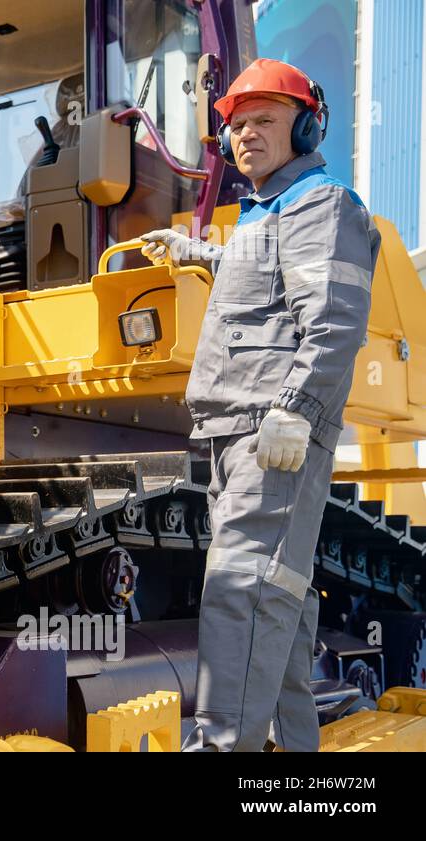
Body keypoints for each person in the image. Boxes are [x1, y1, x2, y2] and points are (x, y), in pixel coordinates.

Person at [140, 59, 381, 751]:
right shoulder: (268, 214)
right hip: (236, 434)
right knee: (278, 604)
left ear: (306, 126)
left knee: (242, 596)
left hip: (268, 430)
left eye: (264, 120)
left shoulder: (321, 203)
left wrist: (295, 409)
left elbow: (333, 320)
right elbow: (261, 275)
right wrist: (192, 251)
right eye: (236, 126)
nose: (245, 134)